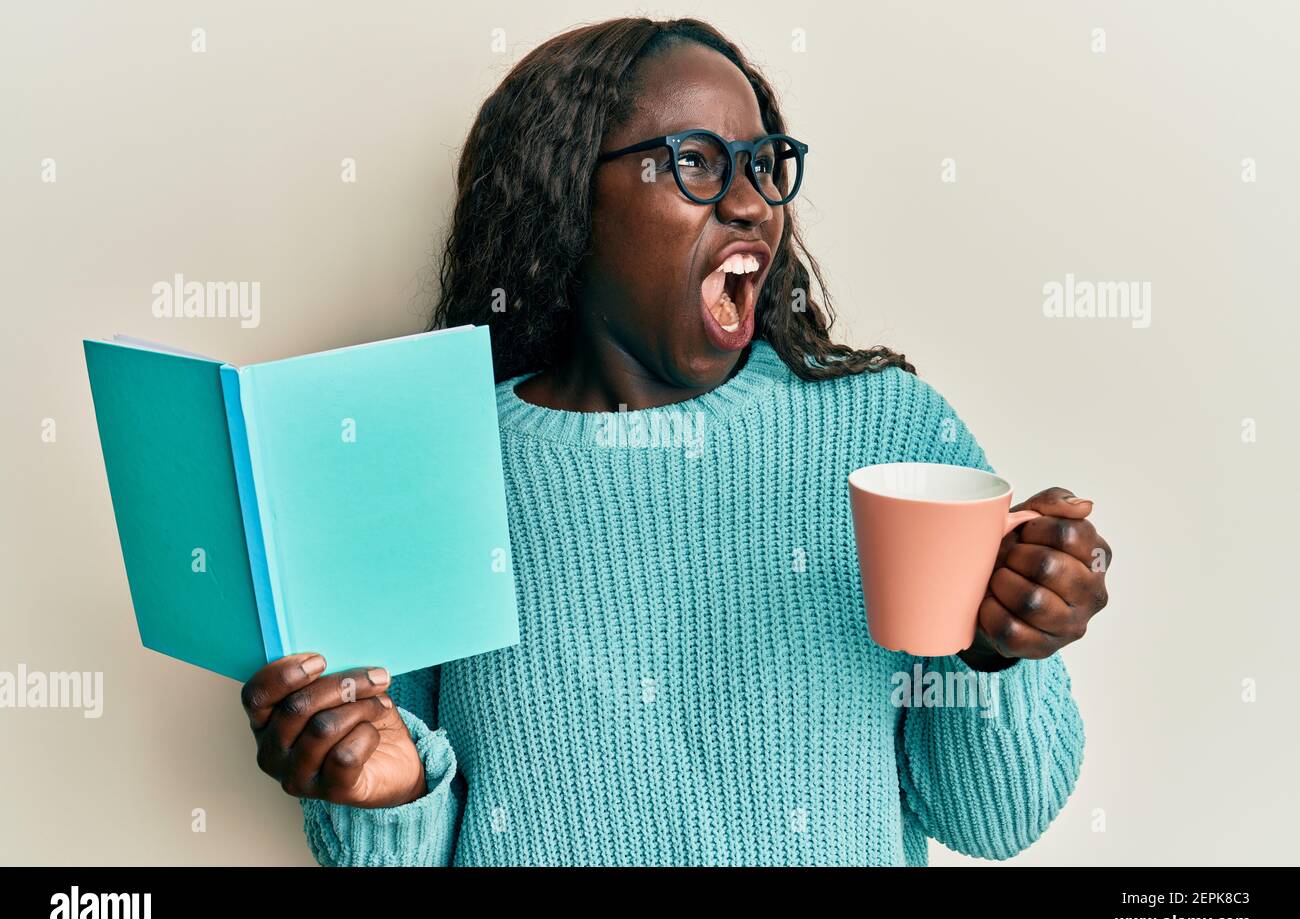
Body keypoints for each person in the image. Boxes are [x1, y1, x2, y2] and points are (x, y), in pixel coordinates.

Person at [239, 16, 1111, 866]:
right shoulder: (441, 463)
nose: (748, 202)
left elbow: (998, 820)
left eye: (765, 167)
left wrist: (998, 654)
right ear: (567, 197)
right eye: (696, 162)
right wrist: (388, 796)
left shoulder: (886, 435)